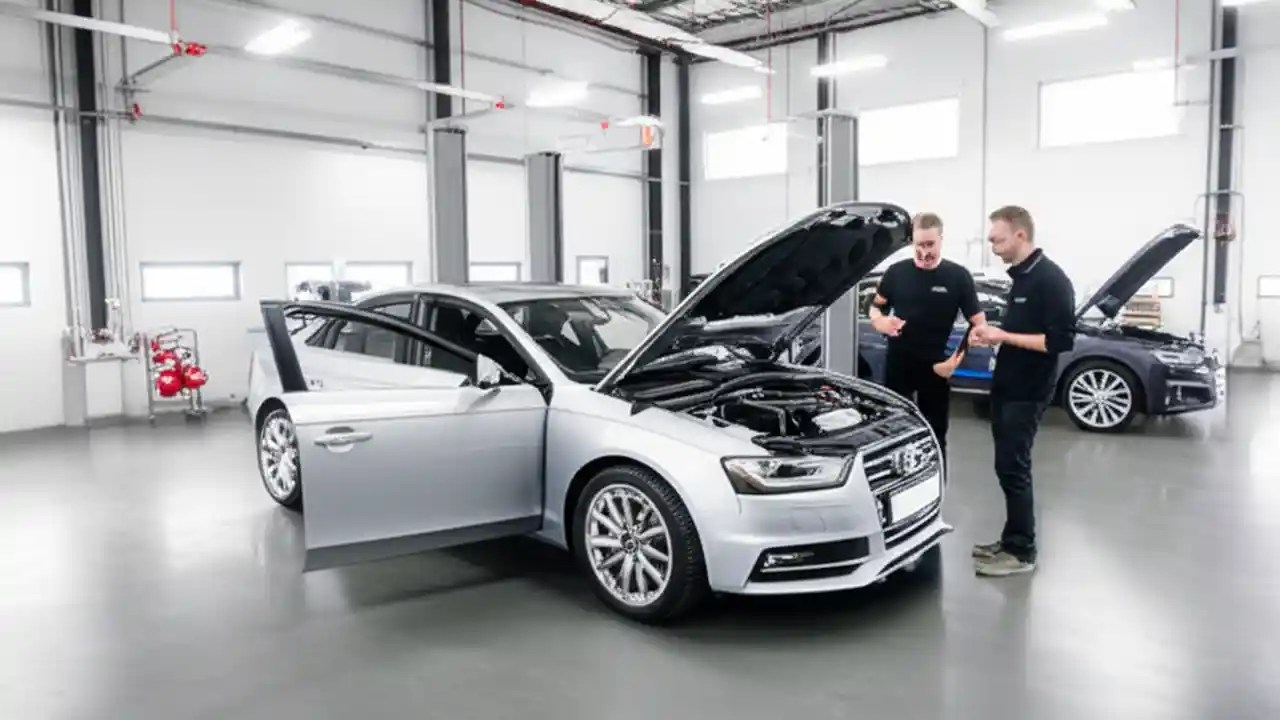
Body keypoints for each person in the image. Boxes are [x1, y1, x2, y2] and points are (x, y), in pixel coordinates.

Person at [969, 205, 1075, 577]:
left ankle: (1022, 552)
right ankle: (1011, 538)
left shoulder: (1050, 279)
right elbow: (1022, 332)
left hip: (1028, 390)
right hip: (1008, 385)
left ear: (1020, 235)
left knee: (1014, 468)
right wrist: (994, 336)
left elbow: (1059, 342)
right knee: (1005, 466)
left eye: (997, 239)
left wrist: (1003, 335)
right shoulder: (1023, 279)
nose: (992, 246)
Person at [868, 212, 985, 462]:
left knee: (935, 436)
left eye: (929, 244)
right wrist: (880, 321)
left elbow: (979, 325)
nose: (923, 252)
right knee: (894, 433)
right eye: (918, 245)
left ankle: (933, 491)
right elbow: (875, 306)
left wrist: (954, 362)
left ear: (941, 239)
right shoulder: (896, 273)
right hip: (898, 364)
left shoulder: (958, 277)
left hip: (936, 366)